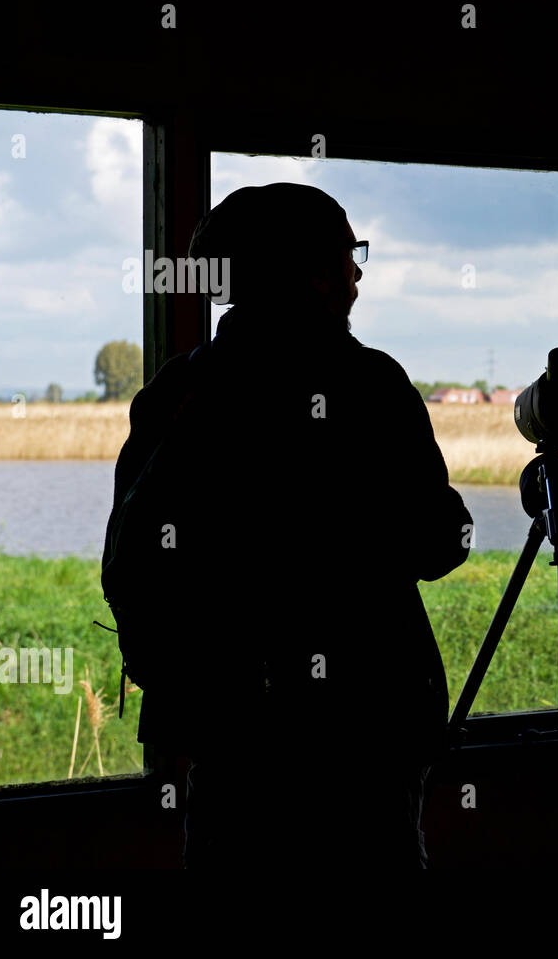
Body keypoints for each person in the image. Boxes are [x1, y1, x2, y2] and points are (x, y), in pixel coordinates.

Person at [103, 182, 472, 871]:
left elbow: (132, 558)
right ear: (310, 270)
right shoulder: (370, 385)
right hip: (365, 743)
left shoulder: (175, 393)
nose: (357, 273)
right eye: (347, 253)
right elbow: (438, 543)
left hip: (230, 746)